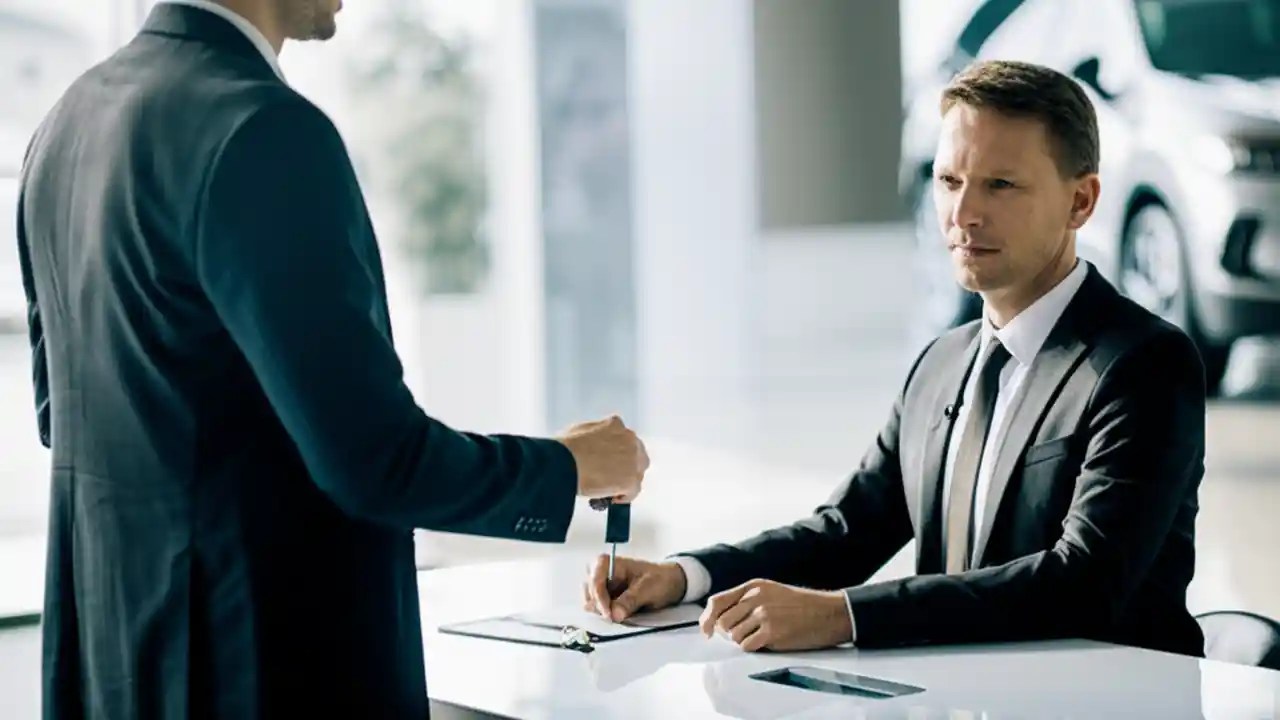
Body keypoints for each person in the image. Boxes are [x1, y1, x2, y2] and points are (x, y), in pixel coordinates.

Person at [17, 1, 648, 716]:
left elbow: (63, 420)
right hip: (263, 675)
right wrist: (566, 469)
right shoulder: (264, 130)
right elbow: (373, 461)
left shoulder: (65, 124)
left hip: (116, 673)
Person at [585, 59, 1206, 659]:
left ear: (1081, 202)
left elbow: (1083, 584)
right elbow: (848, 532)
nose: (962, 215)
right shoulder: (940, 364)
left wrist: (845, 615)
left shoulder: (1144, 365)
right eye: (948, 181)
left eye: (1000, 184)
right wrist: (686, 577)